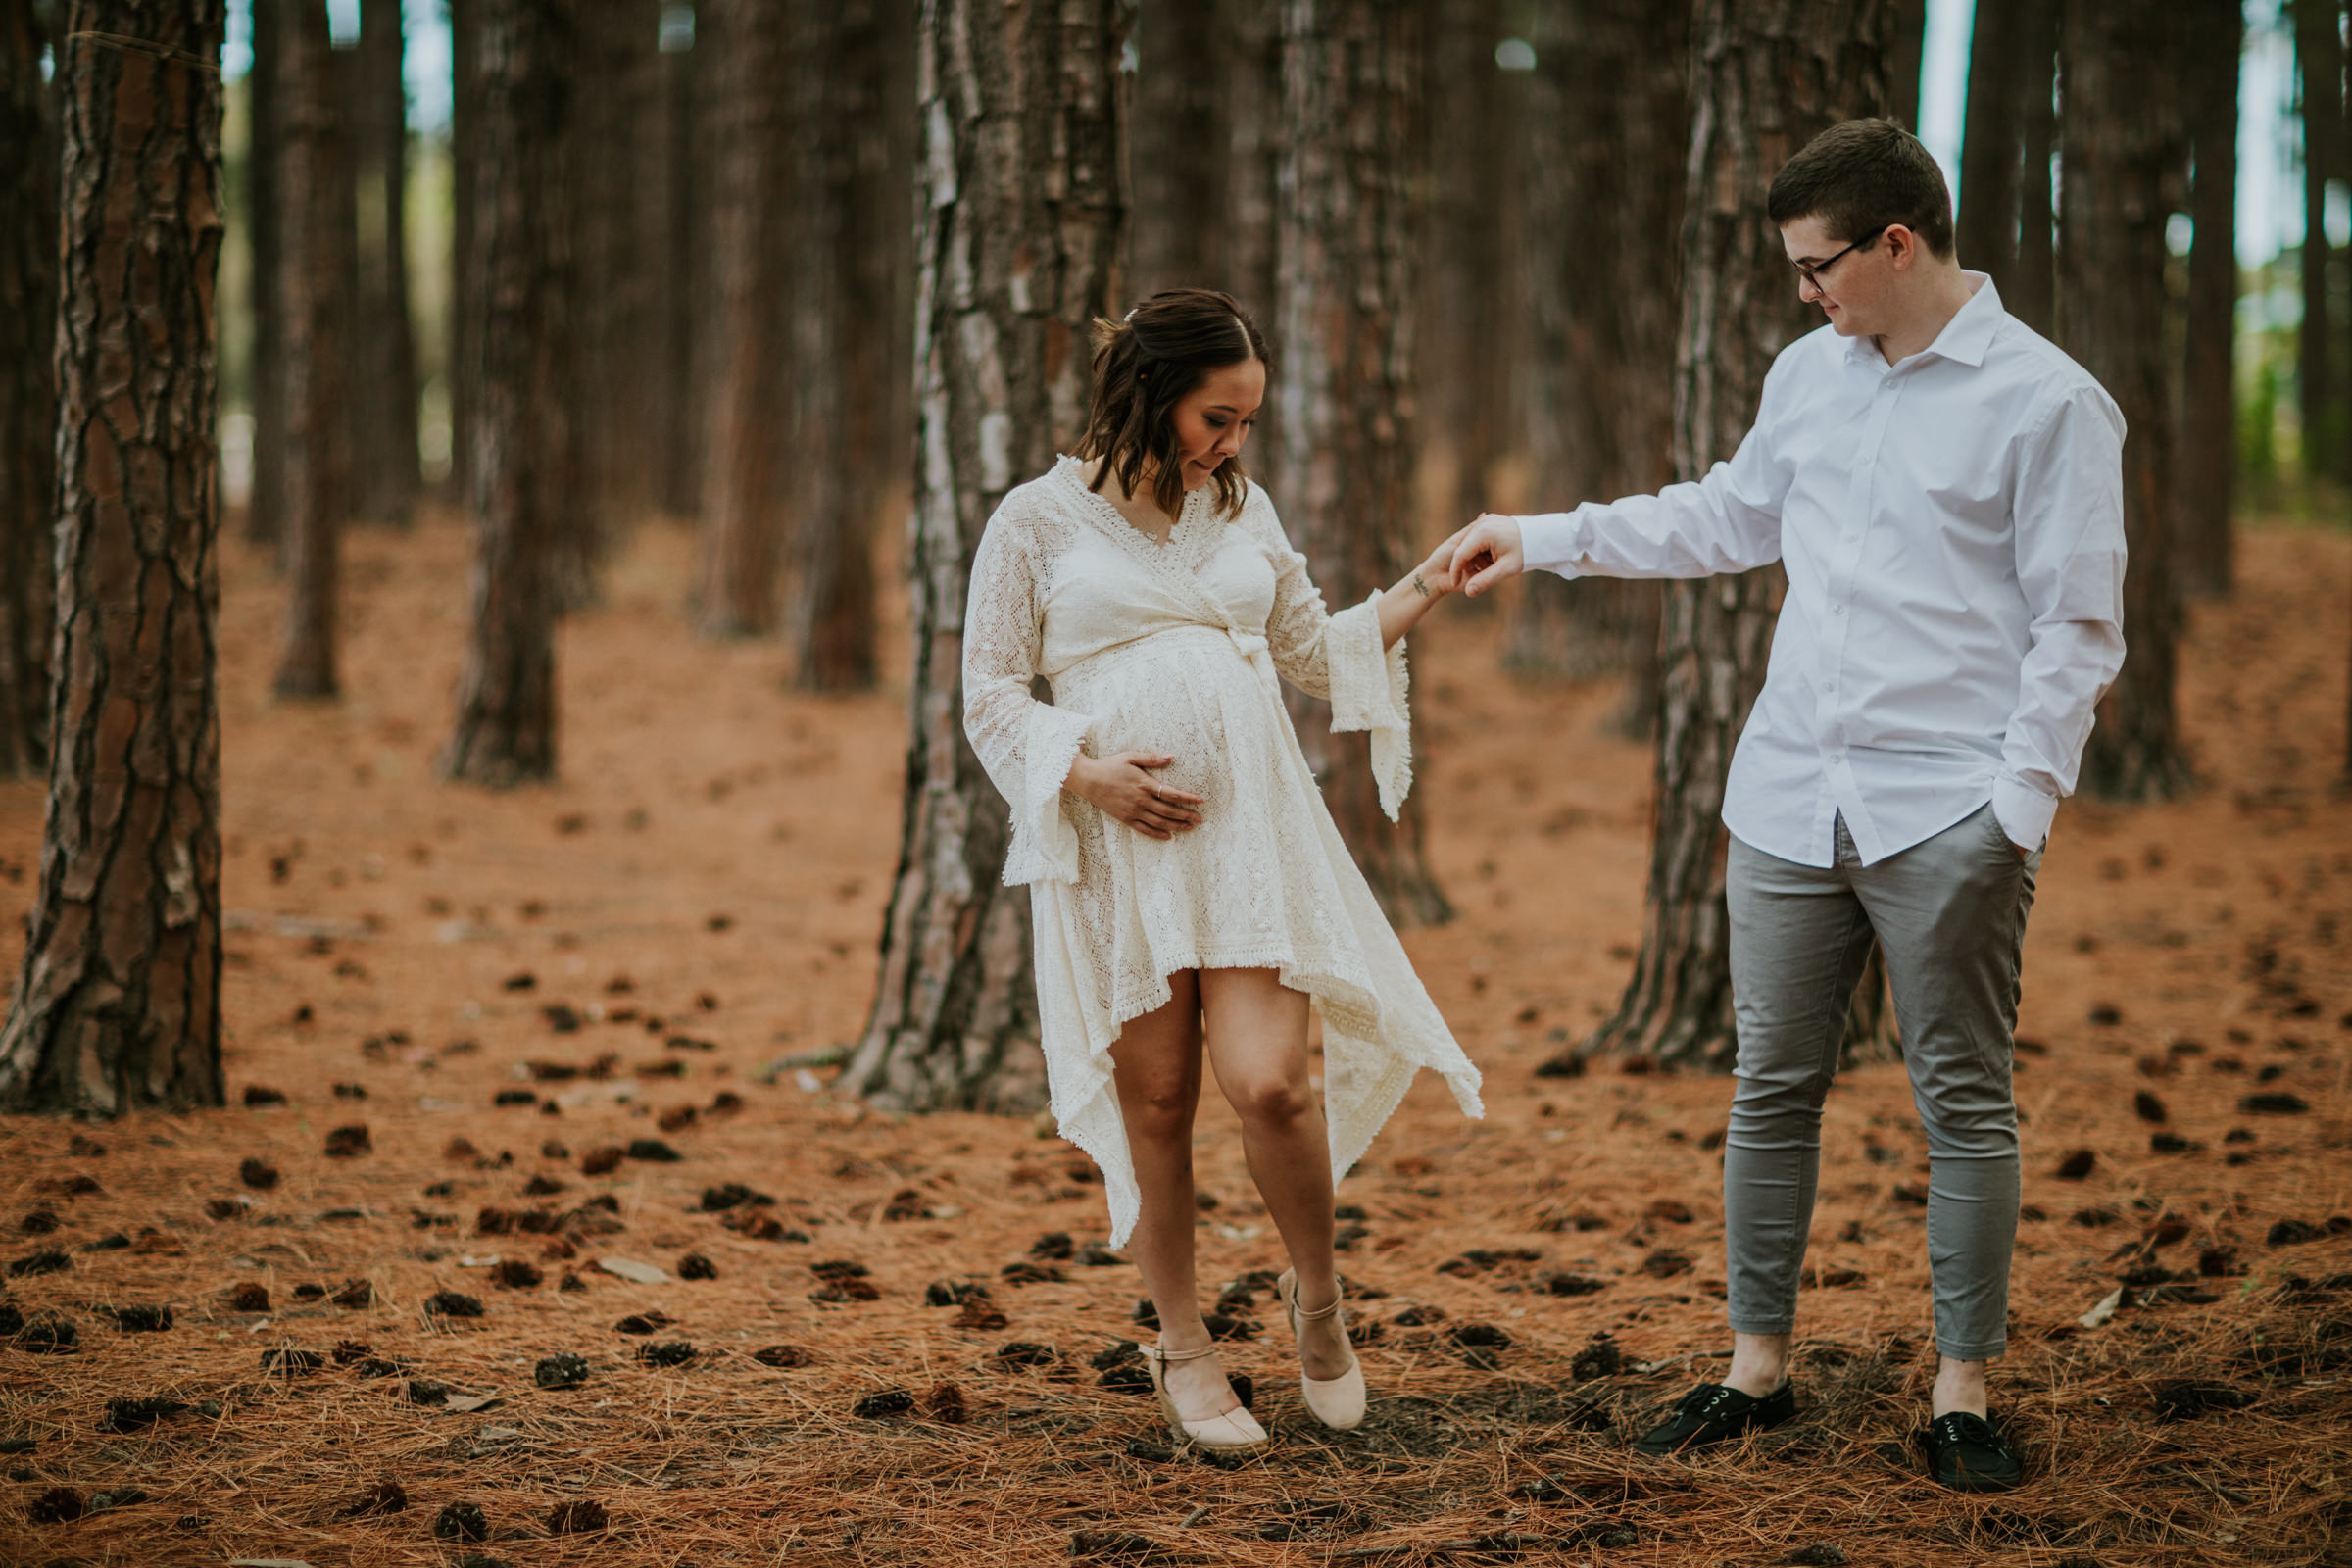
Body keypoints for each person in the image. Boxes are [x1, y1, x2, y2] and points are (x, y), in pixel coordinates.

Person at [1446, 120, 2125, 1493]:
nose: (1803, 291)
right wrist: (1543, 538)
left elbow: (2079, 625)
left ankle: (1962, 1392)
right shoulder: (1810, 373)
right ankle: (1756, 1369)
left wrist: (2017, 808)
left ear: (1897, 244)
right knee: (1771, 1087)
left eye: (1820, 267)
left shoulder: (2048, 403)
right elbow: (1726, 516)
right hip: (1789, 798)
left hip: (1948, 812)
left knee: (1963, 1099)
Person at [960, 288, 1485, 1451]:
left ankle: (1319, 1298)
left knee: (1271, 1084)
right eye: (1217, 417)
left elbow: (1314, 651)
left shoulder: (1241, 509)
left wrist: (1428, 583)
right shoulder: (1034, 521)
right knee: (1157, 1100)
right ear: (1149, 394)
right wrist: (1085, 774)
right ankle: (1184, 1343)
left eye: (1248, 420)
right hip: (1119, 851)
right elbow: (987, 692)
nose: (1233, 442)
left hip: (1249, 840)